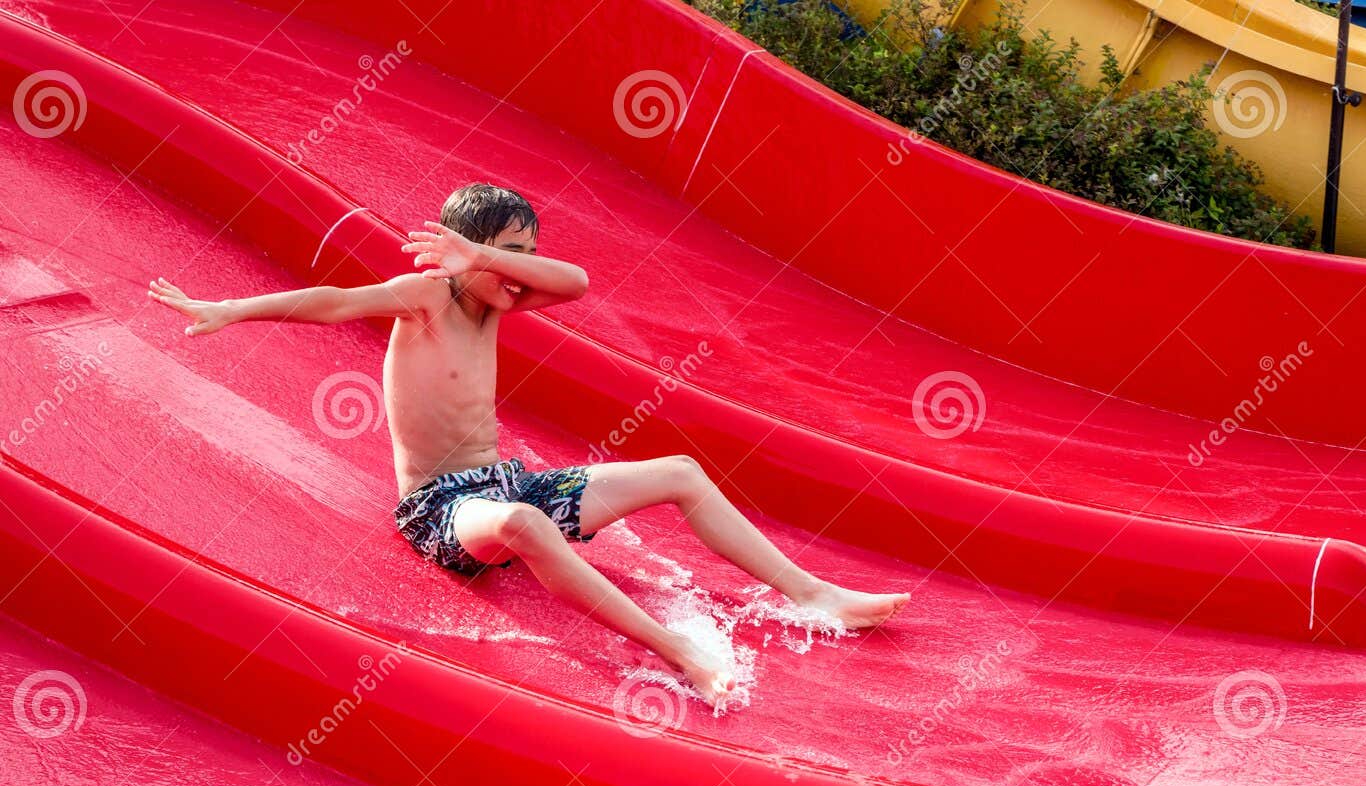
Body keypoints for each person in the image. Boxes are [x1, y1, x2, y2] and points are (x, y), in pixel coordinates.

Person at [149, 183, 908, 708]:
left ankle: (813, 594)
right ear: (465, 251)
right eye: (507, 254)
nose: (518, 277)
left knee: (678, 470)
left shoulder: (495, 296)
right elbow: (336, 302)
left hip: (504, 481)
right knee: (523, 526)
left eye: (520, 259)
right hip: (441, 511)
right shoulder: (429, 300)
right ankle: (681, 653)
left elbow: (573, 281)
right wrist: (228, 310)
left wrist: (490, 262)